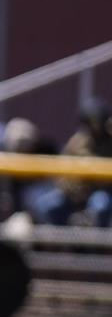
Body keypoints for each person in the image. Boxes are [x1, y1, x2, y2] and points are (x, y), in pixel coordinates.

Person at [27, 98, 112, 228]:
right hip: (73, 194)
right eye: (91, 122)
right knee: (45, 205)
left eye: (98, 122)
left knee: (101, 205)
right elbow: (62, 174)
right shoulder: (78, 141)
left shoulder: (109, 141)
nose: (95, 126)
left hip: (96, 193)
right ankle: (64, 243)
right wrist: (70, 190)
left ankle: (95, 246)